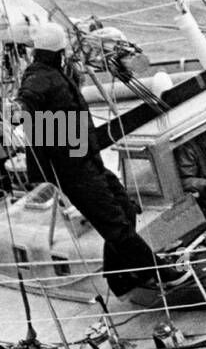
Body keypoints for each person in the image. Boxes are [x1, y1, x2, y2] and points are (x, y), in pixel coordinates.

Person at [16, 22, 175, 295]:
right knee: (114, 222)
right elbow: (30, 112)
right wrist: (42, 168)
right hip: (72, 168)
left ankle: (118, 277)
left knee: (125, 208)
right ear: (59, 50)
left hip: (87, 159)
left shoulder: (52, 72)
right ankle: (159, 271)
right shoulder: (38, 80)